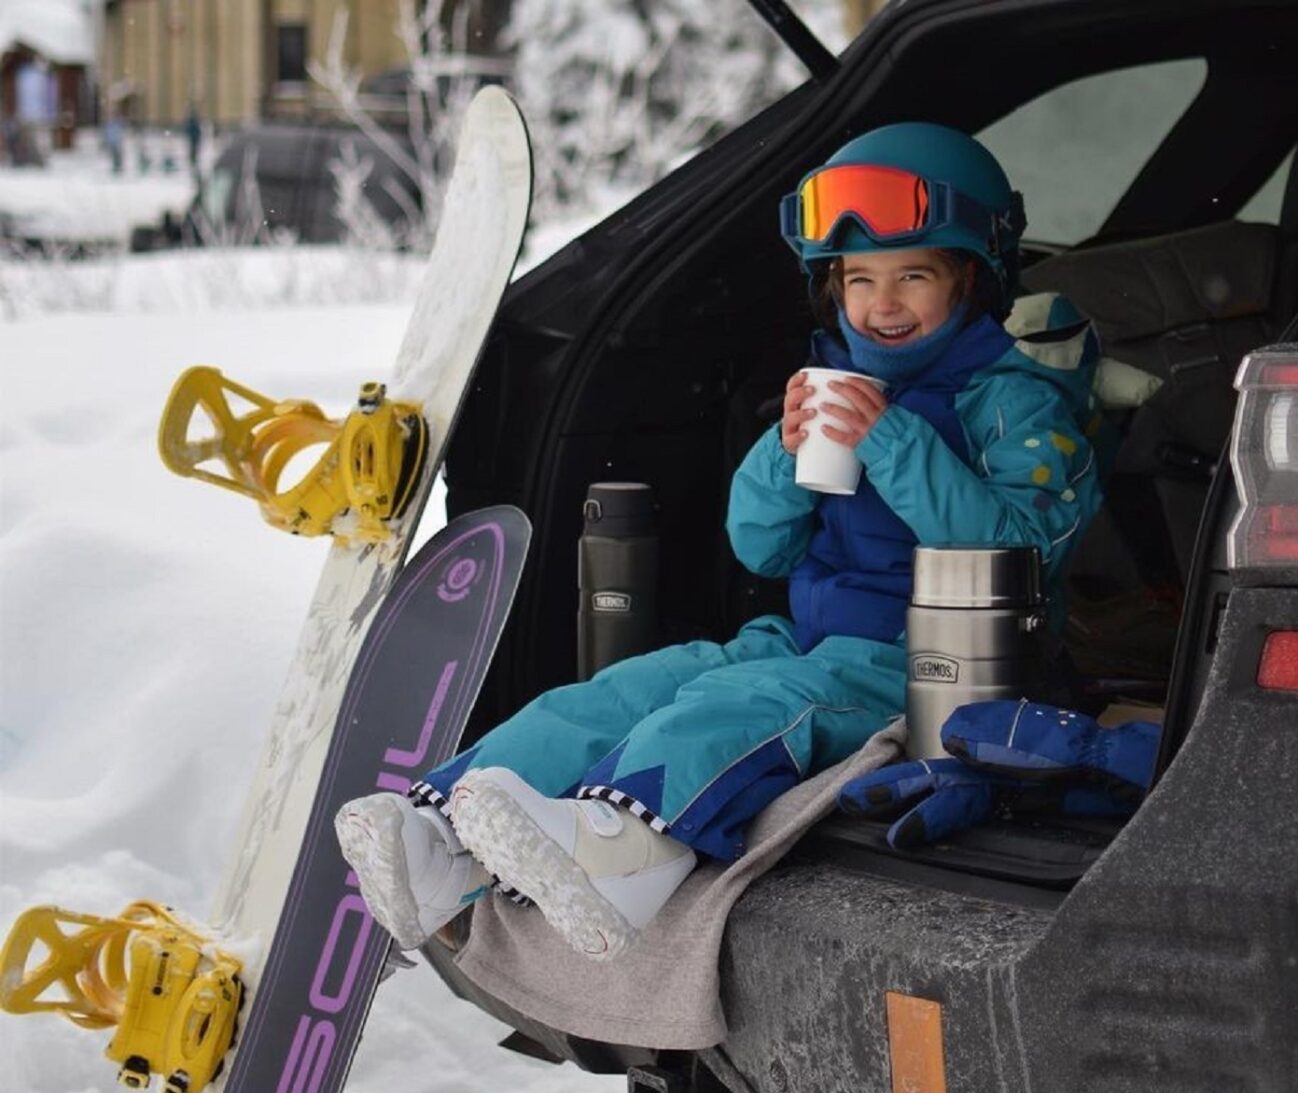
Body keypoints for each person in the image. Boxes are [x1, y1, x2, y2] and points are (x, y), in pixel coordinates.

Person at [333, 122, 1104, 961]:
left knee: (736, 710)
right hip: (807, 636)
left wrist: (891, 442)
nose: (881, 304)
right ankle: (441, 835)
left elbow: (1021, 552)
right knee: (636, 689)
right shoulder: (841, 387)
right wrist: (783, 455)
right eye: (858, 280)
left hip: (928, 665)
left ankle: (626, 850)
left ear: (974, 279)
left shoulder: (1014, 404)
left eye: (913, 275)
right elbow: (761, 550)